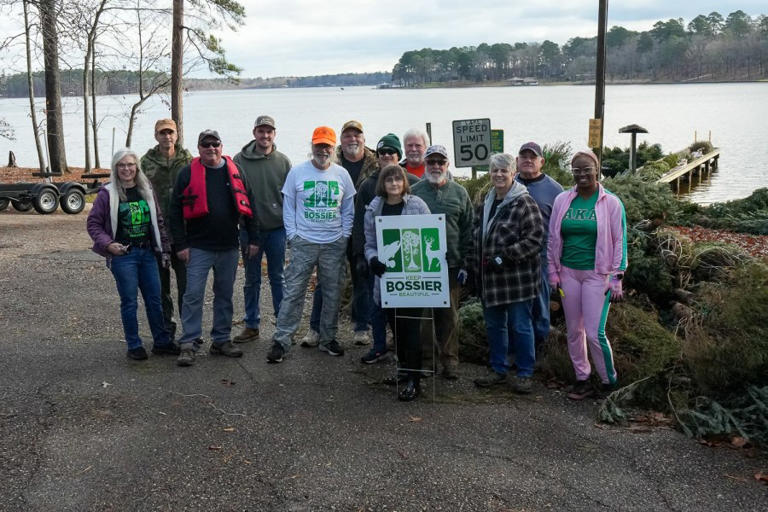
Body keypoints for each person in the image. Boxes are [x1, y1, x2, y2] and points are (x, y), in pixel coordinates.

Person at [168, 130, 259, 367]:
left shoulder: (236, 171)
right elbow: (175, 212)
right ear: (198, 148)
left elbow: (251, 205)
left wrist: (254, 239)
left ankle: (221, 339)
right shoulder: (187, 173)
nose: (211, 148)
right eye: (205, 144)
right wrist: (180, 244)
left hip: (228, 246)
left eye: (215, 144)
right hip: (198, 246)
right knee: (193, 295)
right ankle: (188, 342)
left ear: (221, 146)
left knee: (225, 296)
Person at [266, 126, 356, 363]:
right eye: (318, 145)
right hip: (304, 241)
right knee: (294, 292)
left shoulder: (342, 175)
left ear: (333, 148)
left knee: (332, 293)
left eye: (327, 146)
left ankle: (328, 339)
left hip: (333, 243)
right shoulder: (297, 172)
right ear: (312, 146)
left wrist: (344, 235)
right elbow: (289, 207)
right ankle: (282, 341)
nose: (323, 150)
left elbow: (348, 209)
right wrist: (293, 235)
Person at [547, 150, 628, 400]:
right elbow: (552, 238)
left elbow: (620, 241)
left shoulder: (610, 202)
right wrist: (553, 272)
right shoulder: (563, 200)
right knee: (574, 331)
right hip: (568, 273)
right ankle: (582, 378)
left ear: (596, 170)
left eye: (587, 169)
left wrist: (617, 277)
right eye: (577, 170)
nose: (582, 175)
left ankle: (608, 381)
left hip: (597, 276)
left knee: (595, 333)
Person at [87, 148, 177, 360]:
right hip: (123, 256)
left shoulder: (146, 189)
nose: (126, 169)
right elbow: (93, 224)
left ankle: (162, 342)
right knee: (129, 301)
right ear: (115, 168)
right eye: (121, 165)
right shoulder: (107, 193)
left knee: (155, 299)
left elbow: (159, 221)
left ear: (136, 167)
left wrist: (164, 249)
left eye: (130, 164)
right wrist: (108, 244)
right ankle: (134, 345)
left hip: (147, 254)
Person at [469, 153, 544, 394]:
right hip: (490, 280)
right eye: (494, 171)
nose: (499, 175)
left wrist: (506, 256)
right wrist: (470, 267)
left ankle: (524, 373)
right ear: (489, 174)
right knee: (494, 326)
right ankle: (498, 369)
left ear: (513, 173)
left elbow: (535, 240)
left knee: (520, 326)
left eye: (504, 171)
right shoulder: (486, 202)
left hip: (517, 281)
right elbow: (475, 236)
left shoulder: (524, 202)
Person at [302, 120, 378, 346]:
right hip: (334, 231)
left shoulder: (376, 164)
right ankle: (315, 329)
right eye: (347, 135)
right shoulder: (329, 161)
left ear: (364, 138)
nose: (352, 139)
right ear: (340, 141)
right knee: (326, 281)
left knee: (362, 279)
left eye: (357, 135)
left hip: (364, 232)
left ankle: (362, 328)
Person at [364, 164, 430, 400]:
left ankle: (414, 380)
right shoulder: (375, 208)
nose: (394, 184)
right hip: (388, 281)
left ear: (404, 182)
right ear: (383, 183)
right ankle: (404, 370)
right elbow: (369, 243)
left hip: (413, 279)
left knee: (411, 329)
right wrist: (373, 260)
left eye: (398, 180)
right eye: (389, 180)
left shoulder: (417, 205)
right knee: (398, 330)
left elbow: (430, 235)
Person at [354, 133, 419, 363]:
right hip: (379, 261)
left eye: (391, 152)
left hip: (409, 261)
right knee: (377, 306)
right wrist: (362, 255)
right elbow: (361, 225)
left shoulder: (413, 182)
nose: (386, 156)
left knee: (405, 312)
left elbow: (427, 226)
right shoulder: (368, 187)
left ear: (398, 155)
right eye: (382, 153)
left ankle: (407, 354)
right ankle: (379, 347)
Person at [411, 145, 474, 379]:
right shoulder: (414, 191)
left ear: (448, 165)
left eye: (441, 162)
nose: (436, 166)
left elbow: (469, 228)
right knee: (424, 315)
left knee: (449, 315)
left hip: (451, 265)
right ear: (425, 165)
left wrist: (466, 263)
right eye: (431, 162)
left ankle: (450, 360)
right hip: (422, 265)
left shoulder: (460, 193)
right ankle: (428, 360)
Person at [232, 115, 292, 343]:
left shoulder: (283, 161)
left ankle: (283, 325)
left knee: (278, 277)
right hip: (248, 231)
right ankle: (251, 324)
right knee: (251, 279)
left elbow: (290, 197)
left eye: (269, 132)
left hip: (277, 229)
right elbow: (236, 194)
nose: (265, 136)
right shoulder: (240, 160)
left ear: (274, 134)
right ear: (254, 133)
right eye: (261, 131)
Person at [140, 119, 193, 341]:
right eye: (162, 133)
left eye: (170, 132)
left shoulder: (189, 161)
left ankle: (190, 332)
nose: (167, 137)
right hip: (156, 234)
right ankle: (165, 332)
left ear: (177, 135)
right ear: (156, 136)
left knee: (187, 288)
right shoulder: (145, 162)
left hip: (184, 234)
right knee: (160, 289)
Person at [514, 142, 564, 347]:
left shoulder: (555, 190)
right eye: (523, 156)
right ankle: (518, 350)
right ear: (516, 161)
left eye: (532, 157)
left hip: (542, 258)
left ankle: (540, 348)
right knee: (516, 309)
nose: (527, 160)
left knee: (540, 306)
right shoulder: (508, 183)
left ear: (541, 162)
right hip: (513, 257)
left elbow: (562, 227)